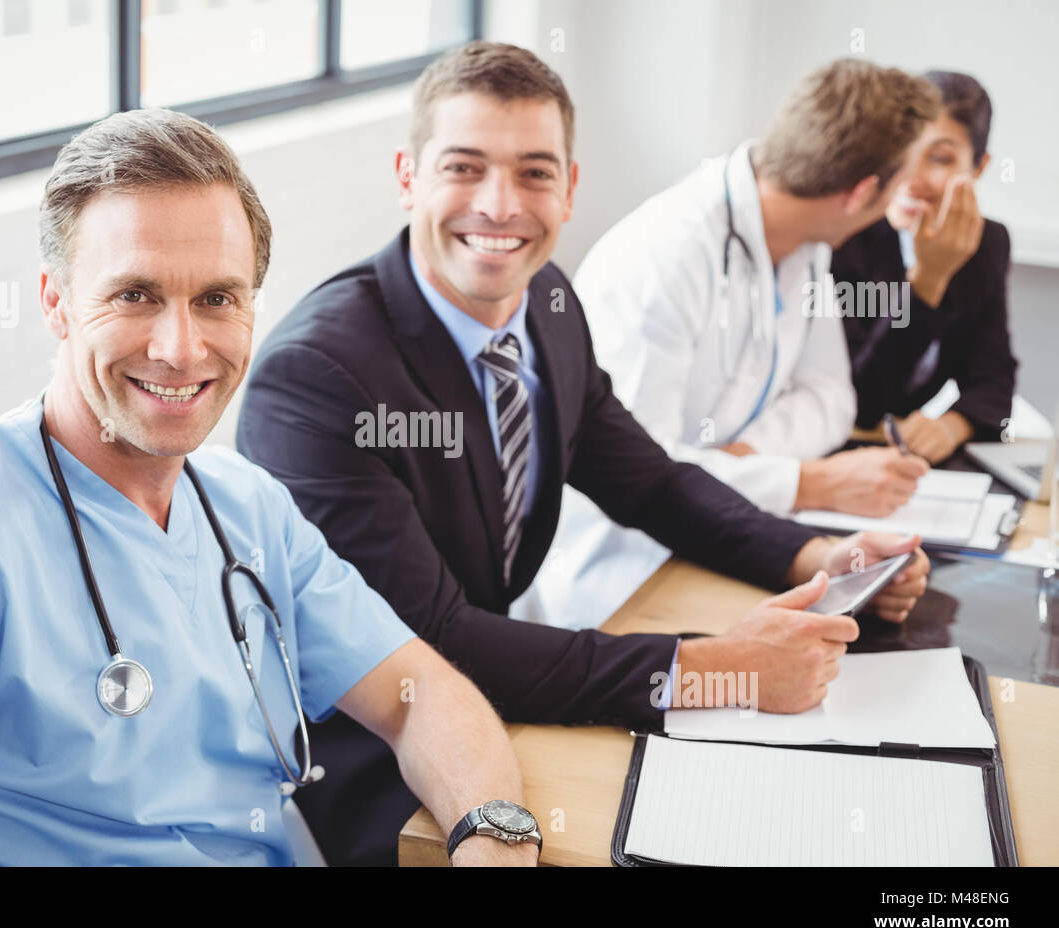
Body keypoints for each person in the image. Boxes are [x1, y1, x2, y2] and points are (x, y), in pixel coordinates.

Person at [0, 109, 543, 868]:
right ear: (55, 301)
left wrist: (494, 836)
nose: (180, 347)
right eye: (135, 295)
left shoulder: (250, 511)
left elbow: (420, 696)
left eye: (216, 299)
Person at [236, 42, 930, 867]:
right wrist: (718, 672)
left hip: (497, 704)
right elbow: (437, 641)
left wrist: (818, 553)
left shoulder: (548, 309)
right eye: (465, 167)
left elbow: (653, 483)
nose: (500, 204)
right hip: (367, 765)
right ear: (408, 176)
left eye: (534, 172)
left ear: (569, 186)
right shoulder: (318, 377)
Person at [528, 58, 942, 628]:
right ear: (863, 191)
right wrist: (806, 479)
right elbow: (643, 475)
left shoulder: (808, 238)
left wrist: (736, 459)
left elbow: (829, 398)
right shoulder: (664, 258)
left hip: (731, 539)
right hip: (622, 581)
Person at [832, 70, 1017, 463]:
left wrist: (953, 425)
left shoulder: (986, 243)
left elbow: (994, 379)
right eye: (904, 150)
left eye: (939, 157)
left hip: (908, 462)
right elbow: (859, 400)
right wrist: (927, 283)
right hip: (832, 451)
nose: (911, 177)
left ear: (979, 167)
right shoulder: (844, 233)